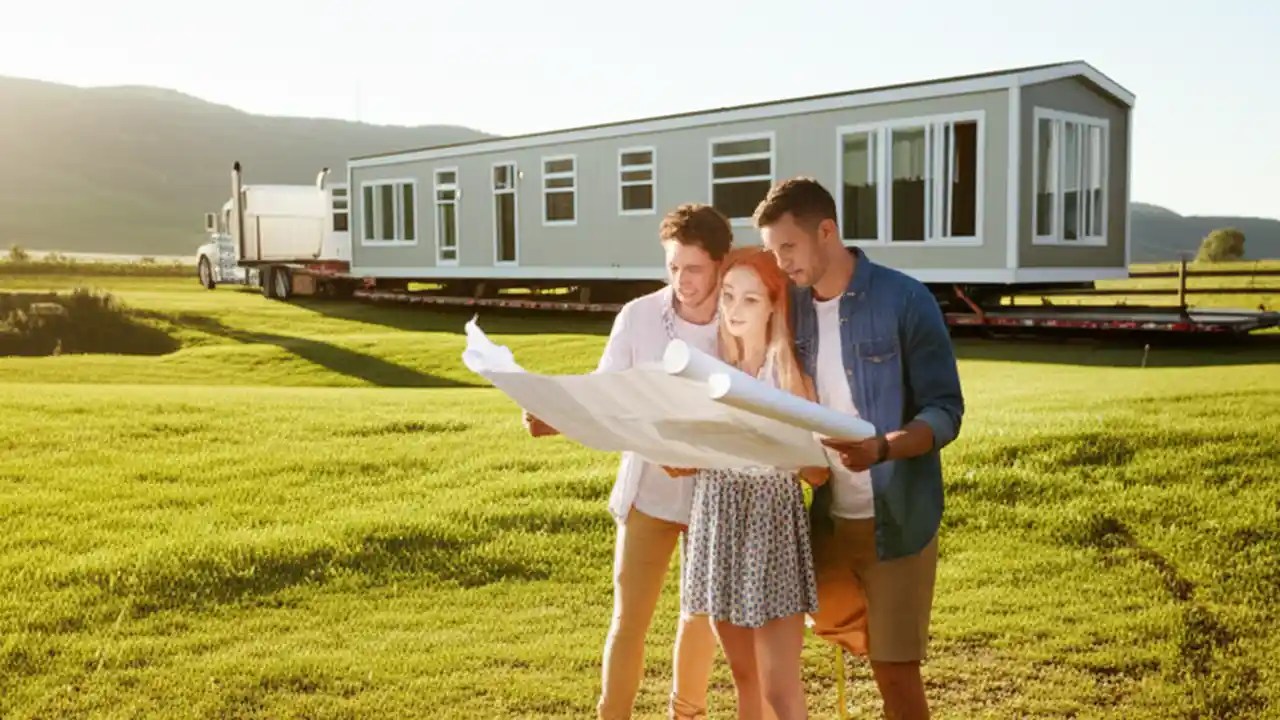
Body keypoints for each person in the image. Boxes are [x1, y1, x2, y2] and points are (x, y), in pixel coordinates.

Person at [753, 177, 965, 720]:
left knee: (895, 674)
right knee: (819, 650)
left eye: (789, 248)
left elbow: (945, 411)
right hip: (827, 518)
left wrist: (884, 447)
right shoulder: (793, 308)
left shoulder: (905, 299)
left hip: (896, 518)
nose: (781, 264)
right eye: (773, 251)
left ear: (828, 231)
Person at [522, 203, 732, 720]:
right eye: (673, 266)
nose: (682, 280)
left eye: (695, 268)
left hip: (716, 496)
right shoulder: (638, 316)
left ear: (722, 265)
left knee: (699, 617)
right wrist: (555, 414)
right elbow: (605, 392)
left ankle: (687, 714)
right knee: (629, 619)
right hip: (649, 496)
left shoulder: (741, 316)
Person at [676, 246, 829, 720]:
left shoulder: (788, 379)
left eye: (750, 299)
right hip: (719, 520)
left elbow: (818, 471)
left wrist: (779, 445)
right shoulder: (709, 372)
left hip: (771, 524)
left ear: (772, 305)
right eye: (728, 297)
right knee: (745, 678)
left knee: (779, 685)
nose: (734, 310)